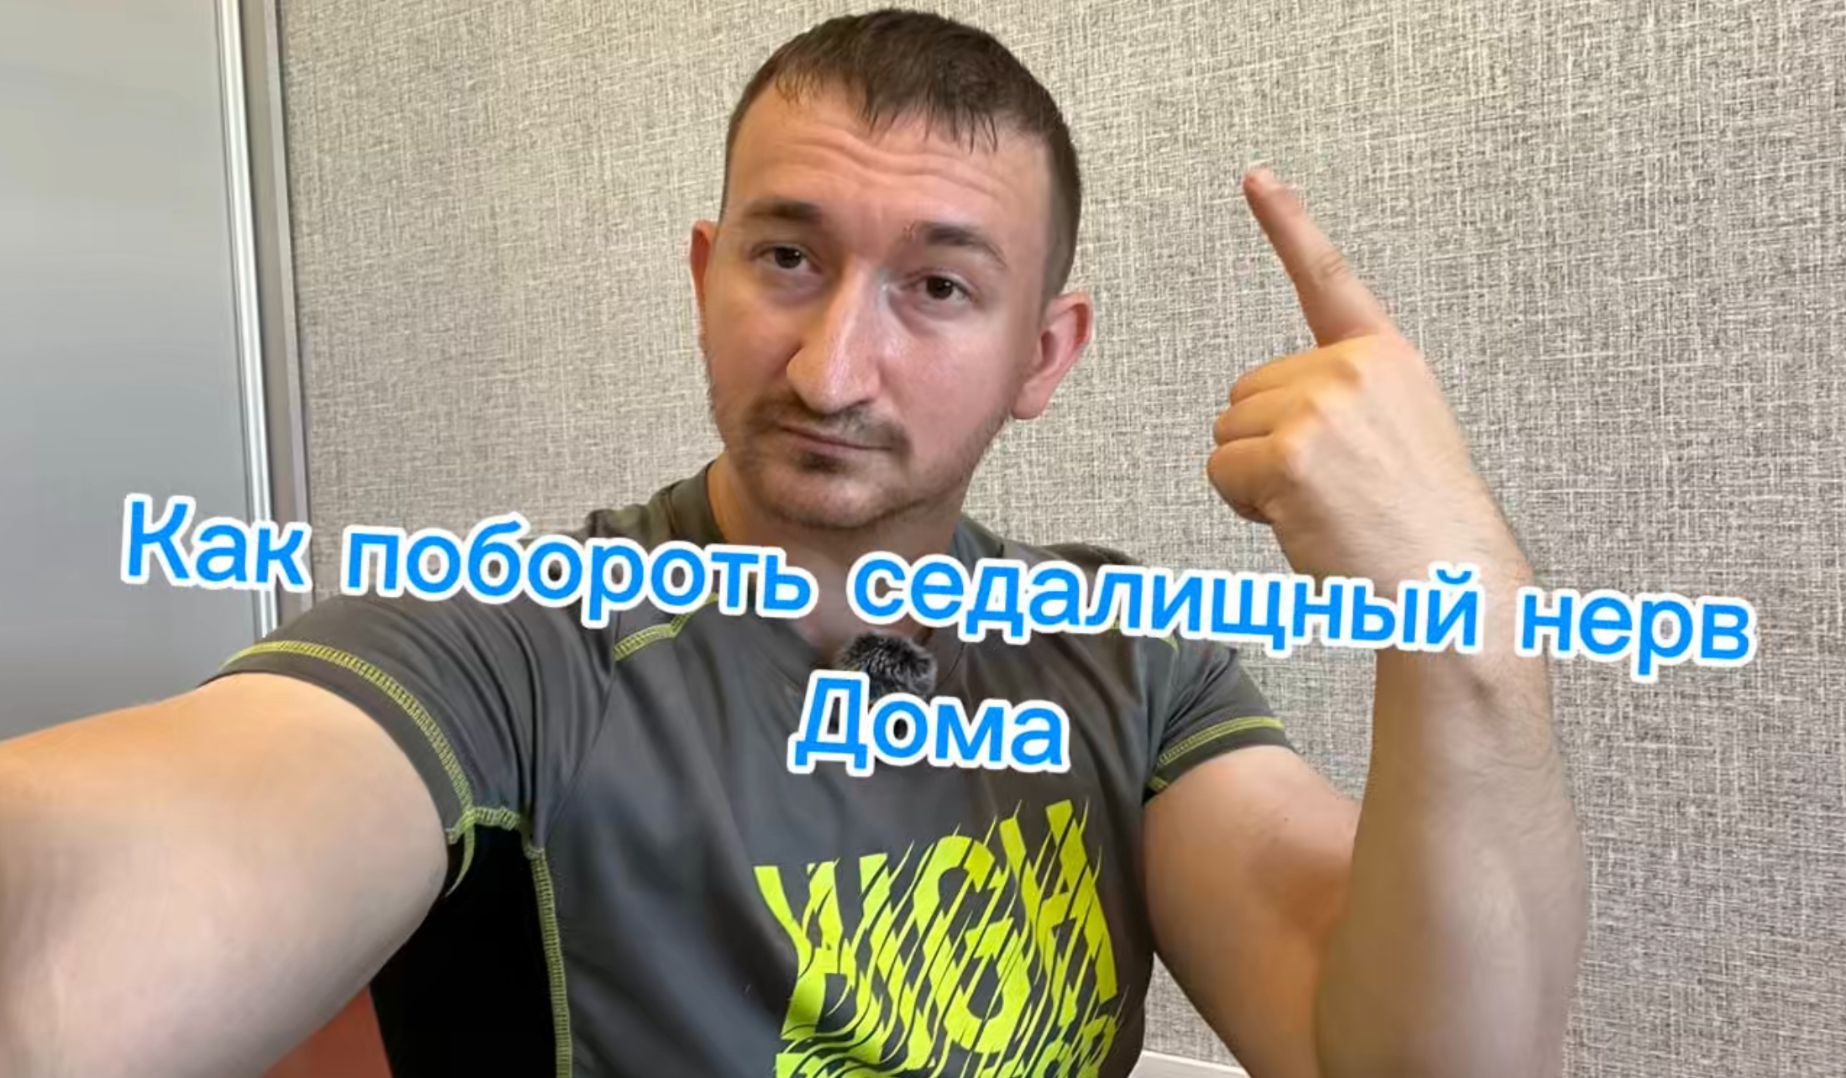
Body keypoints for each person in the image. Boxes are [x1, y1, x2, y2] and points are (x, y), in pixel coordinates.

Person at [0, 10, 1587, 1077]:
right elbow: (87, 914)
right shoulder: (510, 648)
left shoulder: (1126, 659)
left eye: (939, 288)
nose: (833, 369)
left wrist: (1470, 626)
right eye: (785, 257)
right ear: (706, 275)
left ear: (1043, 354)